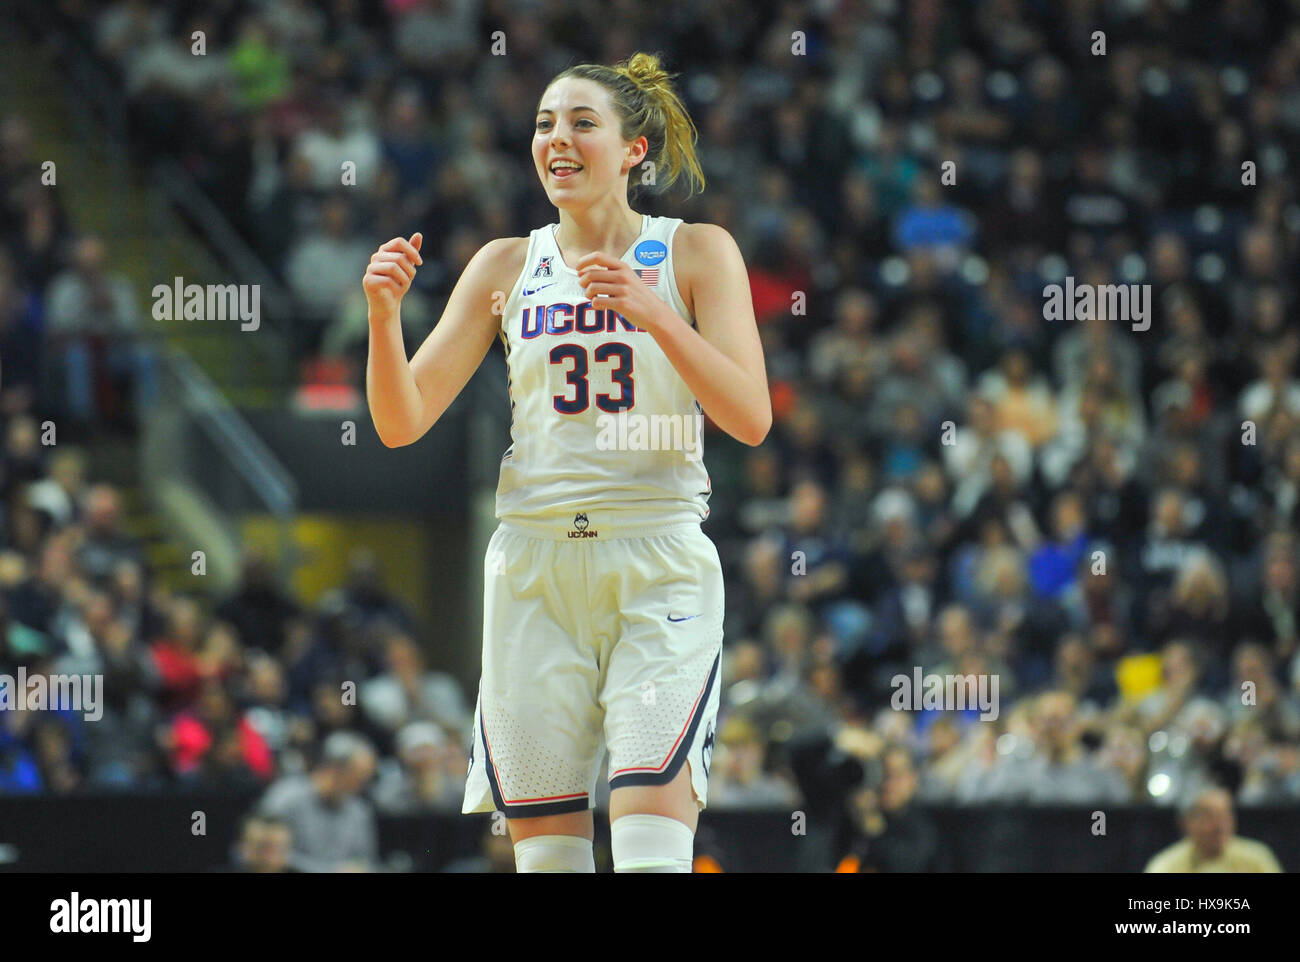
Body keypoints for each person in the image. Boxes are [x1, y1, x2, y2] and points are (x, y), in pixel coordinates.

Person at [363, 52, 770, 872]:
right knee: (548, 860)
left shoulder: (695, 252)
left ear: (634, 150)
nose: (558, 138)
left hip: (656, 561)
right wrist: (381, 315)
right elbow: (401, 422)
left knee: (654, 845)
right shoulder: (504, 265)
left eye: (583, 122)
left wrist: (656, 315)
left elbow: (751, 418)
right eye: (546, 122)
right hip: (532, 569)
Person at [257, 730, 379, 872]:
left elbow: (365, 860)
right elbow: (267, 853)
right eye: (358, 778)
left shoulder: (358, 811)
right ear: (334, 769)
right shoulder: (286, 798)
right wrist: (331, 870)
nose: (360, 787)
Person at [1144, 786, 1283, 873]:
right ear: (1186, 823)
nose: (1220, 827)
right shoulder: (1166, 866)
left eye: (1225, 816)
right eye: (1210, 817)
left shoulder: (1256, 859)